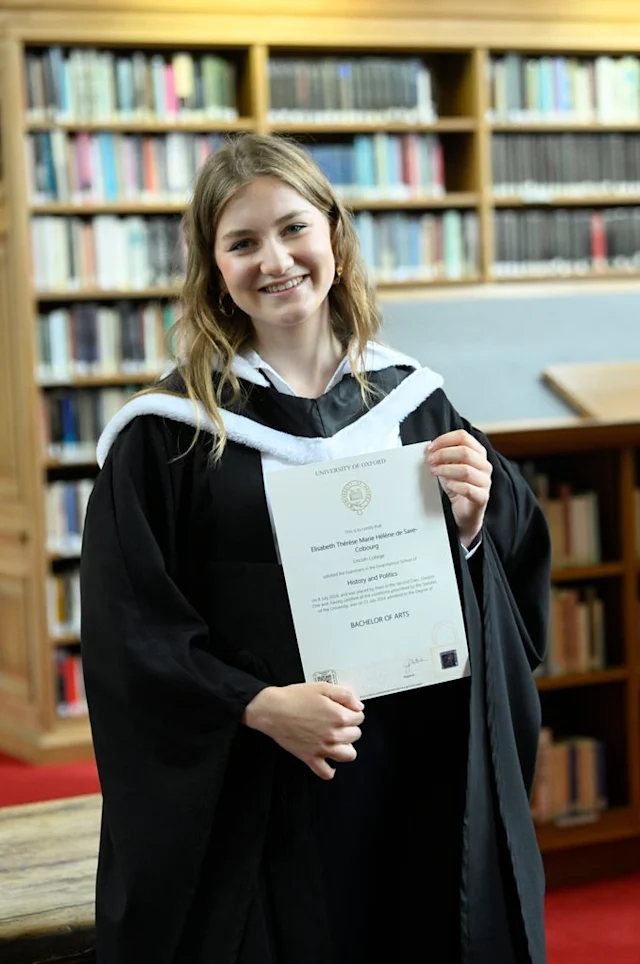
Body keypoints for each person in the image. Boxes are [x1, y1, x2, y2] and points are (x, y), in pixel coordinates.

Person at [80, 133, 551, 964]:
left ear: (333, 231)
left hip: (413, 775)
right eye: (242, 242)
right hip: (262, 792)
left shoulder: (413, 401)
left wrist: (476, 521)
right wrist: (255, 706)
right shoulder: (169, 437)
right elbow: (132, 636)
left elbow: (507, 572)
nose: (276, 260)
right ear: (213, 266)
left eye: (293, 228)